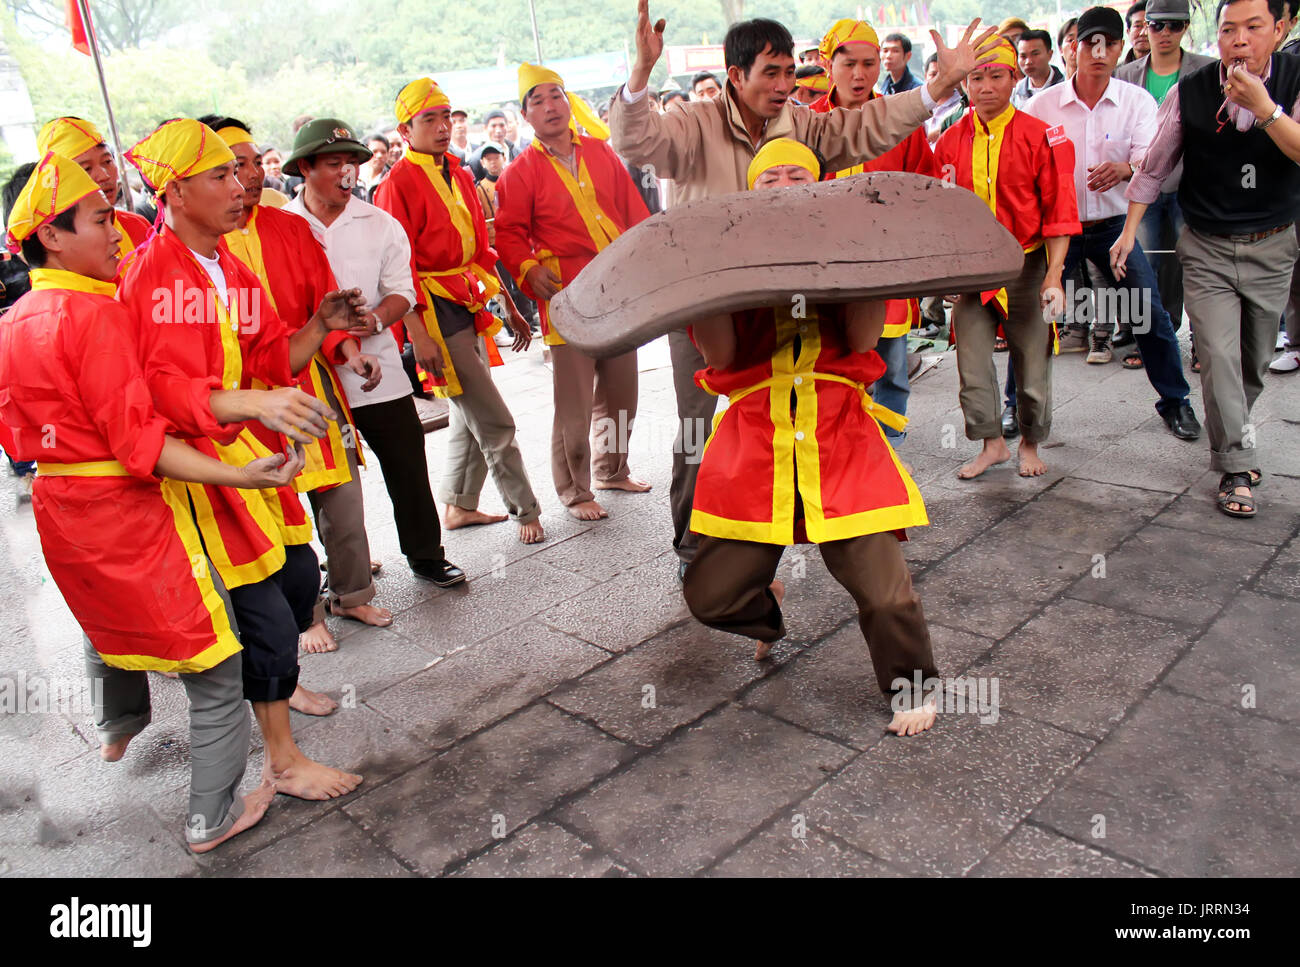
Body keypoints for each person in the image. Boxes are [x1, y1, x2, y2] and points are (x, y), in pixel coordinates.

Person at [0, 153, 326, 850]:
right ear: (51, 237)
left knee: (142, 637)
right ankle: (212, 815)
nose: (117, 229)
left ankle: (122, 729)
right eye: (96, 219)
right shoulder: (94, 312)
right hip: (126, 507)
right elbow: (139, 440)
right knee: (214, 667)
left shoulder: (20, 316)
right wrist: (242, 476)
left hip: (64, 505)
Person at [610, 3, 1000, 578]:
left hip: (785, 307)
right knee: (698, 421)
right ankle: (695, 540)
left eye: (790, 72)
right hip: (708, 305)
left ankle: (810, 523)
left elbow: (865, 128)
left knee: (793, 410)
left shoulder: (801, 122)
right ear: (735, 73)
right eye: (771, 72)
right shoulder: (694, 124)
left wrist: (939, 85)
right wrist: (641, 74)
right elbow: (638, 140)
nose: (784, 84)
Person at [117, 118, 366, 800]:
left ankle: (277, 706)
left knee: (295, 579)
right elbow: (161, 391)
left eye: (242, 170)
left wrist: (320, 326)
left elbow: (266, 358)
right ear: (175, 192)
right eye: (222, 175)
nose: (241, 185)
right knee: (265, 612)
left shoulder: (230, 266)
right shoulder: (151, 276)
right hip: (200, 475)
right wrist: (250, 406)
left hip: (255, 461)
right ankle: (281, 757)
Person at [682, 138, 938, 737]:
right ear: (751, 193)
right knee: (710, 598)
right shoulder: (730, 253)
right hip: (754, 440)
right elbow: (719, 354)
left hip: (838, 432)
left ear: (819, 186)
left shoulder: (844, 245)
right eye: (769, 178)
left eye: (798, 172)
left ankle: (912, 686)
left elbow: (863, 341)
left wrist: (866, 268)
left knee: (887, 593)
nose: (784, 183)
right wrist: (709, 286)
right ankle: (768, 620)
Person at [207, 116, 392, 653]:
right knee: (277, 506)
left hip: (308, 373)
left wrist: (349, 352)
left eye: (248, 162)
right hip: (245, 397)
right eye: (231, 166)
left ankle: (352, 592)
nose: (246, 176)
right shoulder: (201, 247)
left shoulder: (289, 228)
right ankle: (306, 613)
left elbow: (324, 301)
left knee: (341, 492)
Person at [1112, 0, 1300, 518]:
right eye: (1228, 29)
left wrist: (1265, 109)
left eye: (1253, 28)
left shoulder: (1295, 77)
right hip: (1207, 245)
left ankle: (1234, 433)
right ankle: (1235, 465)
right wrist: (1129, 233)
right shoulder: (1190, 91)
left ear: (1281, 29)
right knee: (1216, 355)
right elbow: (1152, 169)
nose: (1238, 40)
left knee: (1253, 362)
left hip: (1273, 242)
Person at [283, 116, 479, 572]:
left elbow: (402, 291)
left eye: (352, 163)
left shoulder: (380, 223)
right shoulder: (283, 226)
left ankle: (427, 554)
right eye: (334, 164)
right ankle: (346, 564)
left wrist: (375, 319)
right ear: (305, 169)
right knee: (330, 479)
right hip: (316, 375)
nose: (347, 174)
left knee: (407, 468)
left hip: (380, 371)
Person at [375, 80, 545, 544]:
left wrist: (507, 301)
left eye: (446, 116)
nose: (442, 126)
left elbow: (481, 252)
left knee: (467, 411)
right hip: (431, 308)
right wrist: (417, 333)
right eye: (429, 118)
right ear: (404, 130)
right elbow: (397, 268)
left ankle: (458, 506)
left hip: (468, 295)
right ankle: (525, 507)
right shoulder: (395, 184)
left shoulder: (458, 171)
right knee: (492, 417)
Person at [1024, 6, 1202, 445]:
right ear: (1073, 48)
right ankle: (1018, 407)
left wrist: (1124, 168)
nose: (1099, 52)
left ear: (1121, 47)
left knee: (1150, 313)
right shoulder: (1041, 105)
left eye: (1109, 43)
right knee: (1031, 318)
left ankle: (1176, 402)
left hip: (1113, 226)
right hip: (1056, 231)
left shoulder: (1135, 100)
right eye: (1090, 42)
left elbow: (1151, 157)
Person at [496, 63, 654, 522]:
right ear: (526, 116)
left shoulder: (601, 153)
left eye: (556, 96)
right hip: (566, 294)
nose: (550, 107)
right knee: (575, 401)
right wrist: (527, 269)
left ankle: (613, 469)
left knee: (623, 390)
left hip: (617, 287)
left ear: (569, 103)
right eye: (538, 101)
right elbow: (507, 235)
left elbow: (633, 211)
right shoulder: (518, 172)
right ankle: (574, 489)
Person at [934, 39, 1080, 478]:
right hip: (974, 271)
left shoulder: (1041, 136)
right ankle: (992, 443)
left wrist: (1053, 276)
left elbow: (1059, 212)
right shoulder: (949, 142)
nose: (985, 87)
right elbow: (941, 215)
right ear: (966, 83)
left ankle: (1031, 444)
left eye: (996, 76)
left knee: (1033, 366)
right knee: (972, 365)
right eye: (976, 78)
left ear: (1015, 78)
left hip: (1029, 264)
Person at [808, 18, 939, 444]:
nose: (860, 75)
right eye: (849, 64)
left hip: (885, 270)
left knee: (892, 370)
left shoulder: (898, 120)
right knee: (826, 368)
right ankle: (837, 452)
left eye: (869, 64)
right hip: (822, 271)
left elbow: (927, 189)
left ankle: (886, 456)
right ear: (829, 64)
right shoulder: (806, 124)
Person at [1114, 0, 1216, 367]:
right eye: (1157, 25)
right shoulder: (1126, 75)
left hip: (1192, 186)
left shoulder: (1206, 70)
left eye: (1175, 25)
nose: (1165, 33)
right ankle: (1153, 341)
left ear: (1186, 27)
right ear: (1145, 28)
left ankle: (1202, 345)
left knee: (1197, 266)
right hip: (1141, 185)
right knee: (1147, 268)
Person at [36, 117, 151, 261]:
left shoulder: (136, 225)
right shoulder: (60, 253)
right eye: (86, 169)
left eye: (107, 161)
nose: (104, 175)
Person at [1012, 29, 1065, 107]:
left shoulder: (1065, 85)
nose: (1028, 62)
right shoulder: (1017, 93)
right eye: (1023, 56)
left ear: (1050, 55)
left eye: (1035, 54)